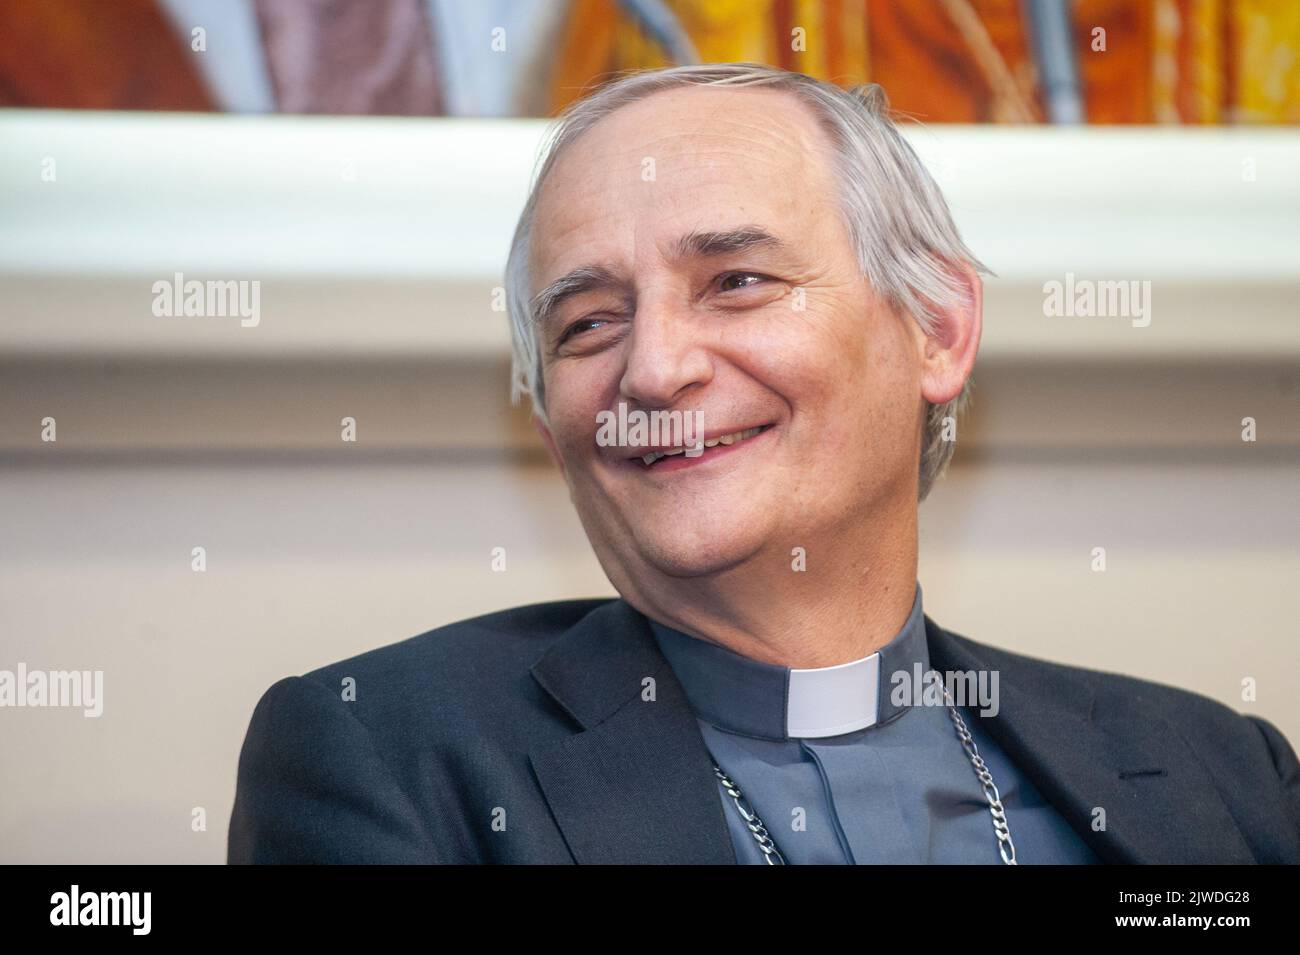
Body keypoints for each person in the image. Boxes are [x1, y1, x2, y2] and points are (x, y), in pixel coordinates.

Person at [228, 63, 1300, 864]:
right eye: (588, 324)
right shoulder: (389, 756)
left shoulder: (1221, 773)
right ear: (549, 425)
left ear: (934, 329)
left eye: (735, 280)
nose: (653, 370)